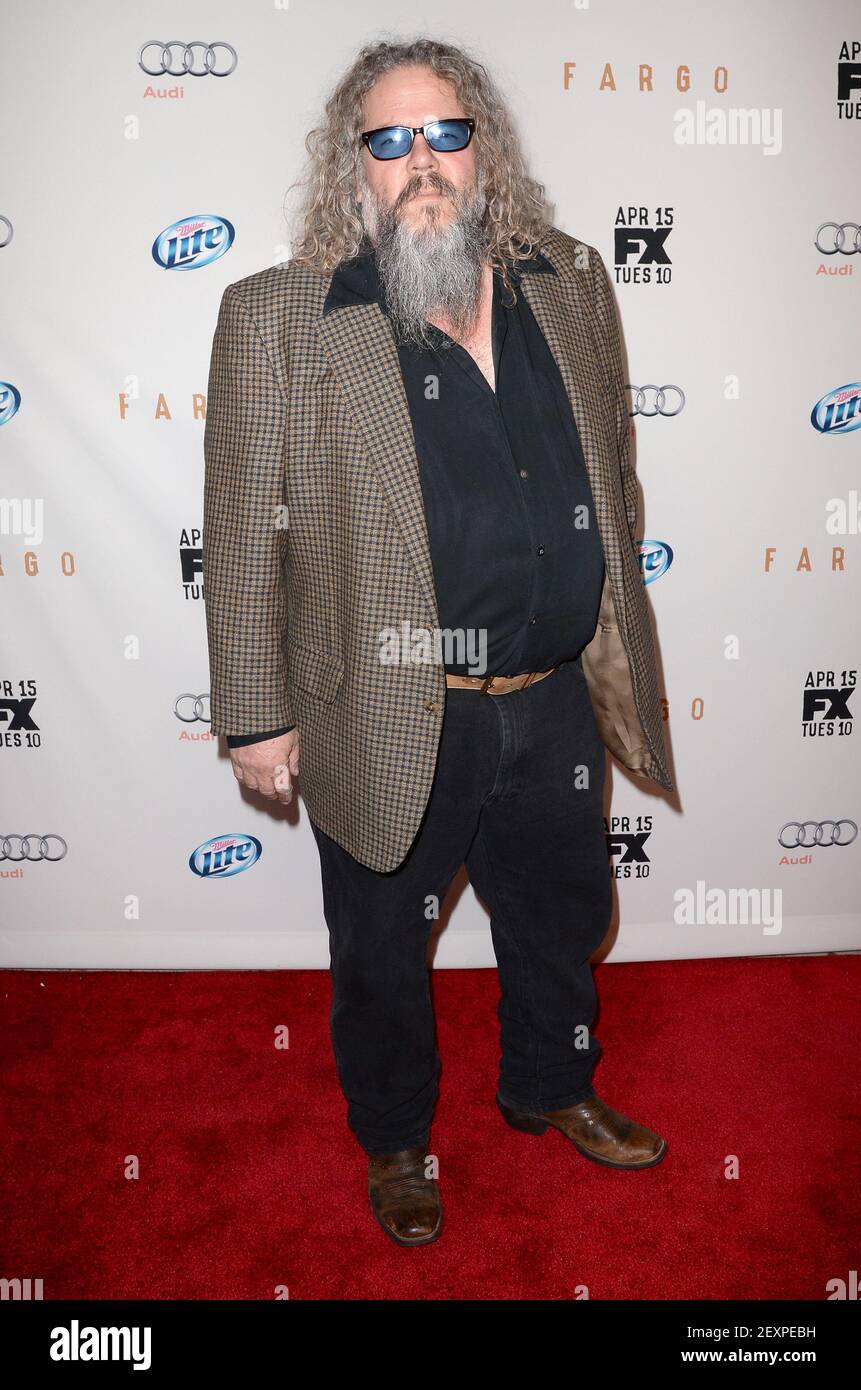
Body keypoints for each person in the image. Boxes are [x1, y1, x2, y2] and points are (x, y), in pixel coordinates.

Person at [202, 36, 674, 1247]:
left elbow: (607, 470)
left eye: (445, 134)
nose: (421, 161)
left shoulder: (566, 280)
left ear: (483, 151)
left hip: (552, 687)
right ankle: (396, 1138)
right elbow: (246, 530)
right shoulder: (281, 316)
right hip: (389, 701)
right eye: (390, 139)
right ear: (352, 166)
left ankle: (549, 1084)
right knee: (378, 948)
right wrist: (256, 712)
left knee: (562, 917)